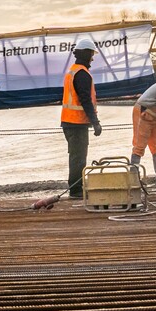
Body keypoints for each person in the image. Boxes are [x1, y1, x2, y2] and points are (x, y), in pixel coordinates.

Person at [60, 34, 103, 200]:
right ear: (85, 53)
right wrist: (96, 122)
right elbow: (85, 100)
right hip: (76, 122)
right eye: (91, 54)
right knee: (78, 158)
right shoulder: (82, 74)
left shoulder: (72, 72)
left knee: (76, 156)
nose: (92, 58)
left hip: (70, 122)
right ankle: (76, 189)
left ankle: (77, 187)